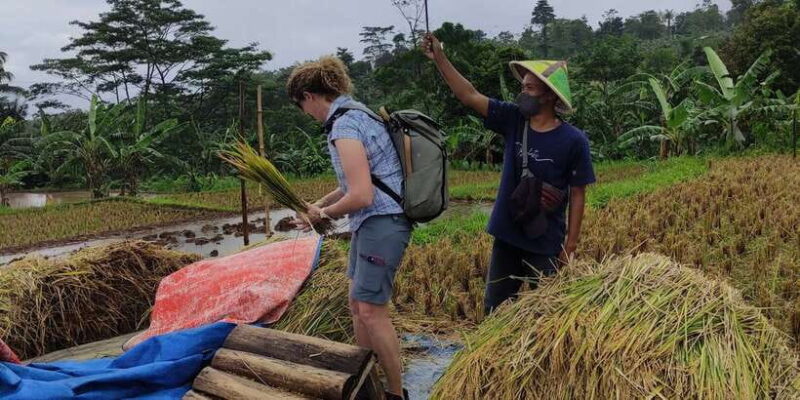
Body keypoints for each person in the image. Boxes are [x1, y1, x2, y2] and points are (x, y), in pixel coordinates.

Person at [421, 33, 596, 314]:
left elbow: (578, 193)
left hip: (545, 240)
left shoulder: (574, 140)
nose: (522, 93)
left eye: (530, 89)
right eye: (523, 87)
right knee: (496, 309)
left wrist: (570, 246)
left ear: (550, 94)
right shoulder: (513, 119)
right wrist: (440, 57)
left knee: (547, 312)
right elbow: (469, 95)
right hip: (508, 235)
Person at [287, 56, 411, 400]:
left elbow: (361, 194)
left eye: (302, 105)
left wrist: (322, 215)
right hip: (370, 223)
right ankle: (368, 382)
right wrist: (318, 206)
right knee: (358, 306)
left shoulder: (344, 125)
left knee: (371, 310)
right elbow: (351, 183)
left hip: (382, 222)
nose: (305, 113)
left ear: (311, 96)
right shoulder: (356, 114)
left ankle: (396, 394)